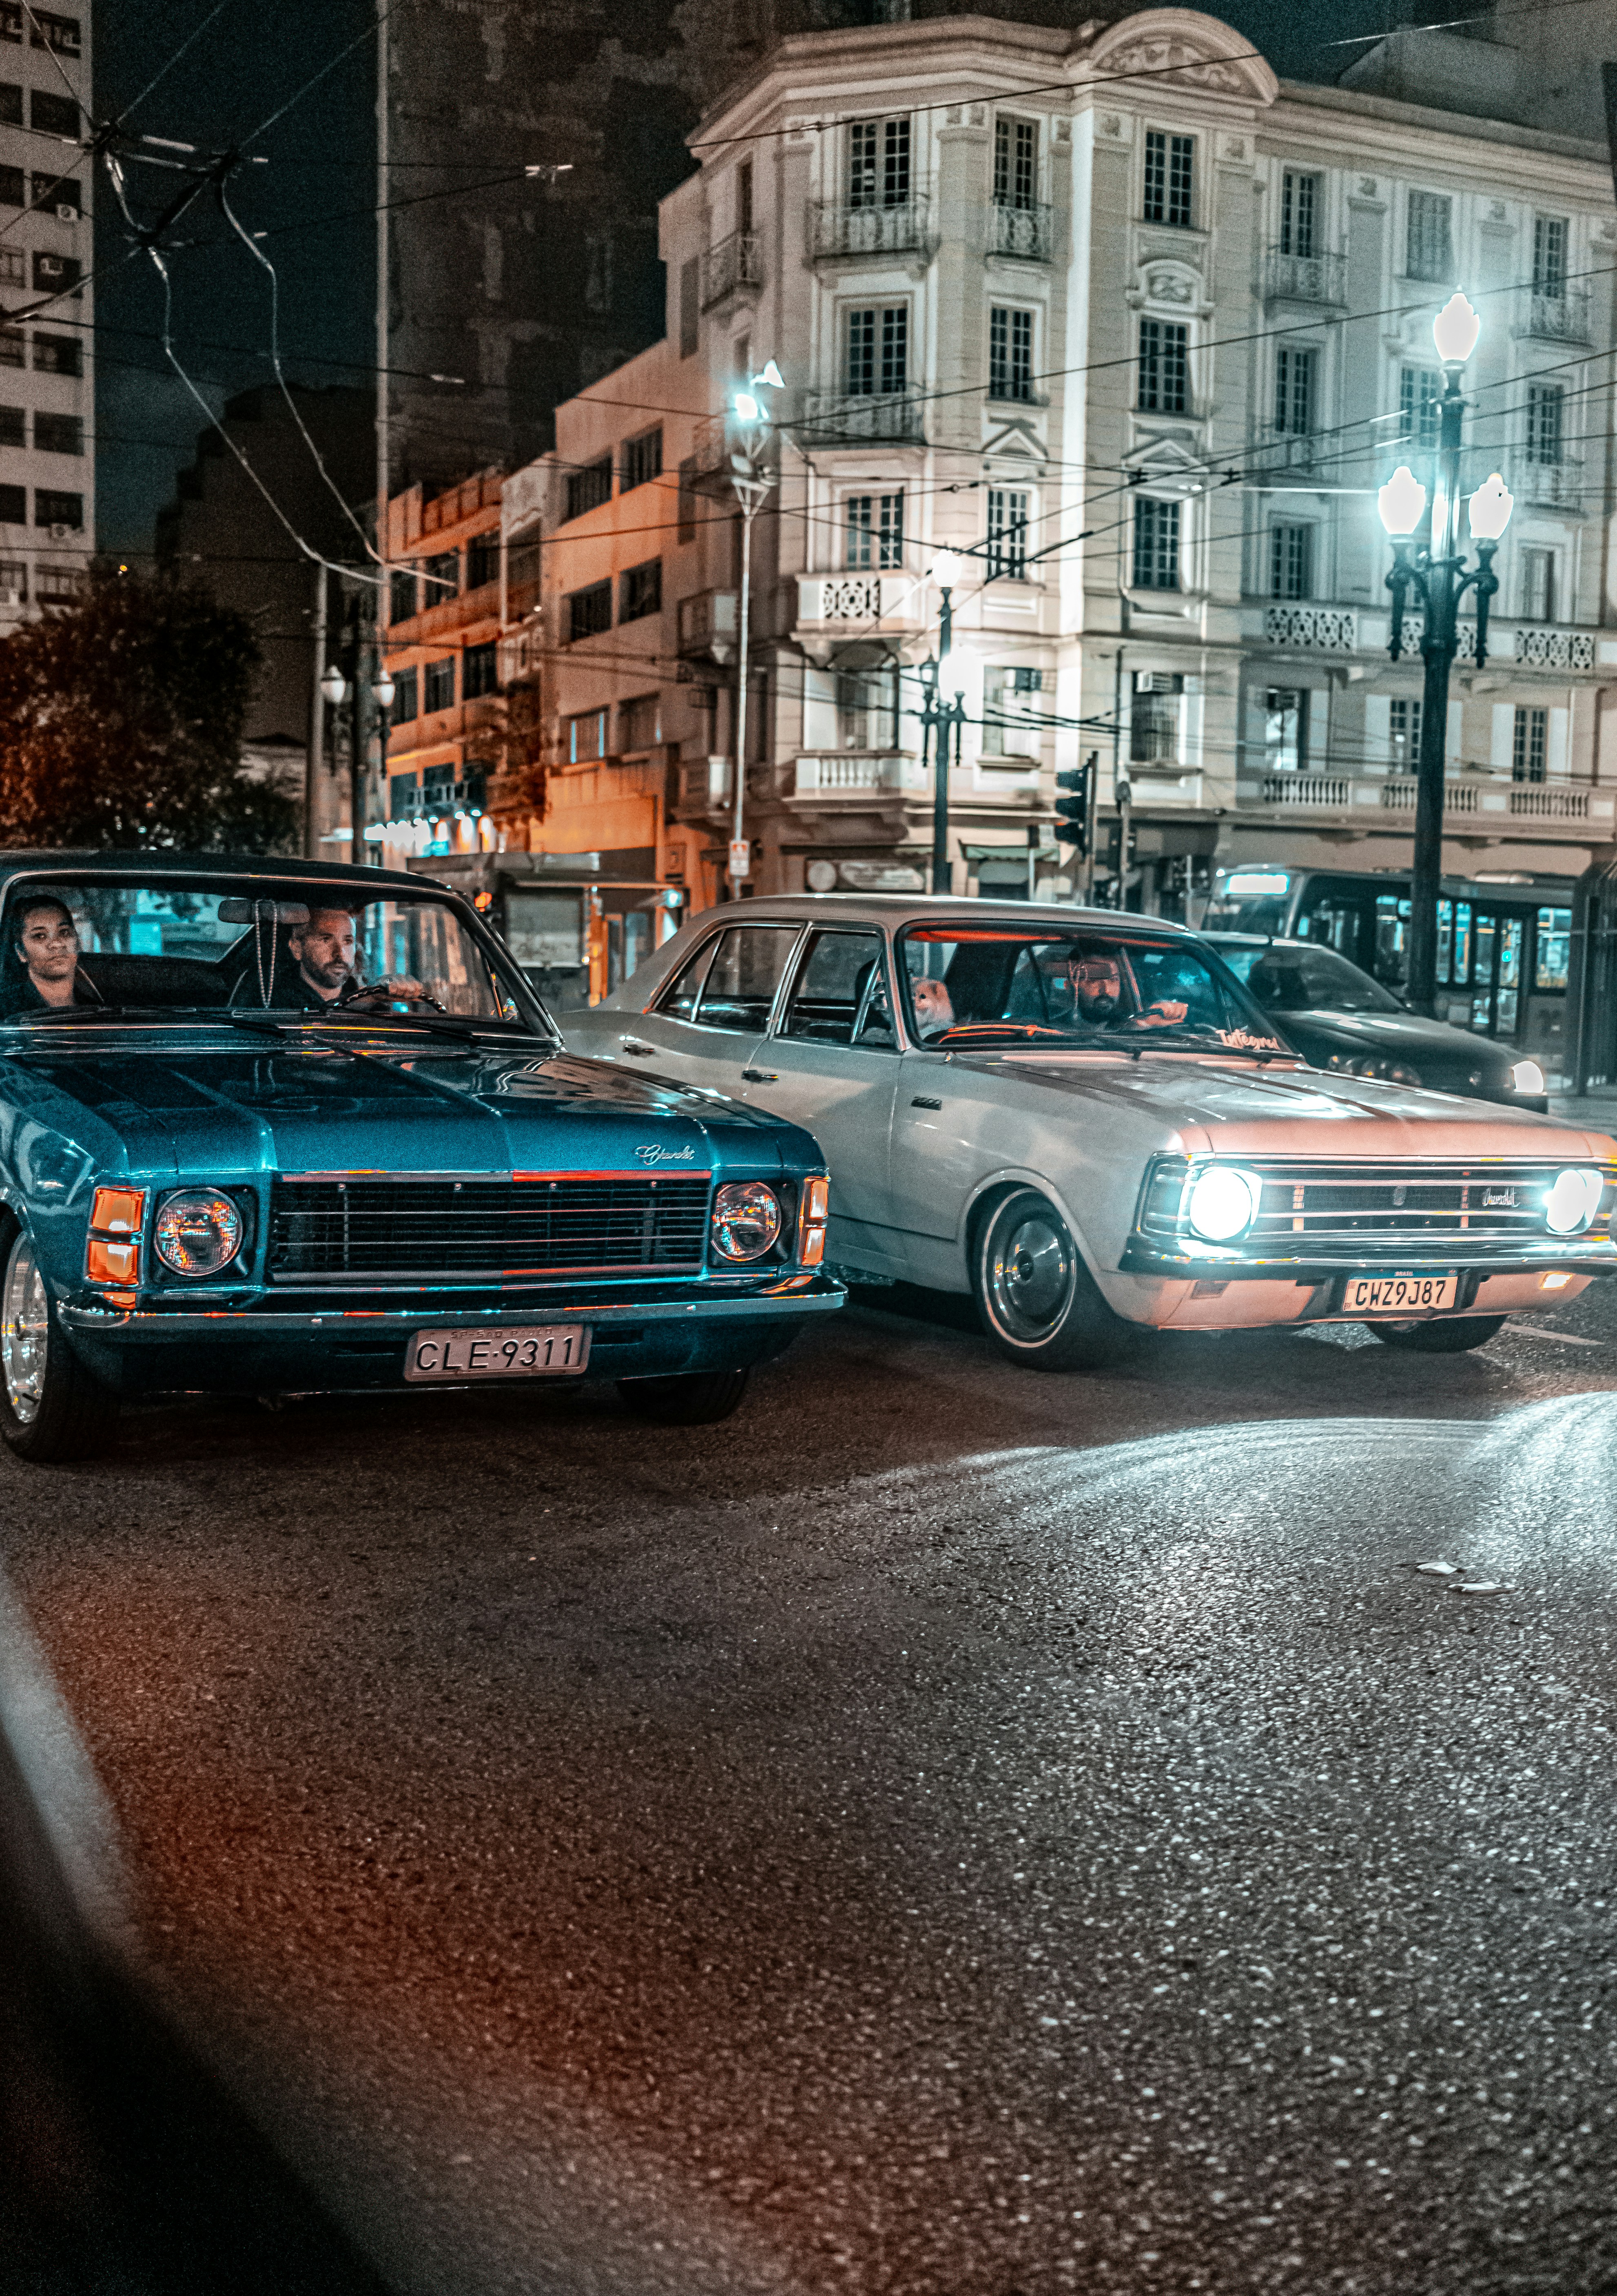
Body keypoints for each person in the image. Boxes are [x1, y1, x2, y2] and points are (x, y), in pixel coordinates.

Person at [0, 895, 100, 1013]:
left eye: (64, 932)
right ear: (21, 953)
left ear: (77, 941)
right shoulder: (6, 1009)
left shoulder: (98, 1004)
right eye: (40, 936)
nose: (57, 944)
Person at [1065, 951, 1187, 1031]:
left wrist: (1149, 1022)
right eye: (1093, 980)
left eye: (1114, 980)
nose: (1106, 990)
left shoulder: (1126, 1024)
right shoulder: (1053, 1028)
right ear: (1070, 986)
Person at [909, 974, 955, 1040]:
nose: (915, 999)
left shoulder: (941, 1032)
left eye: (923, 997)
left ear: (939, 1000)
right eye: (913, 995)